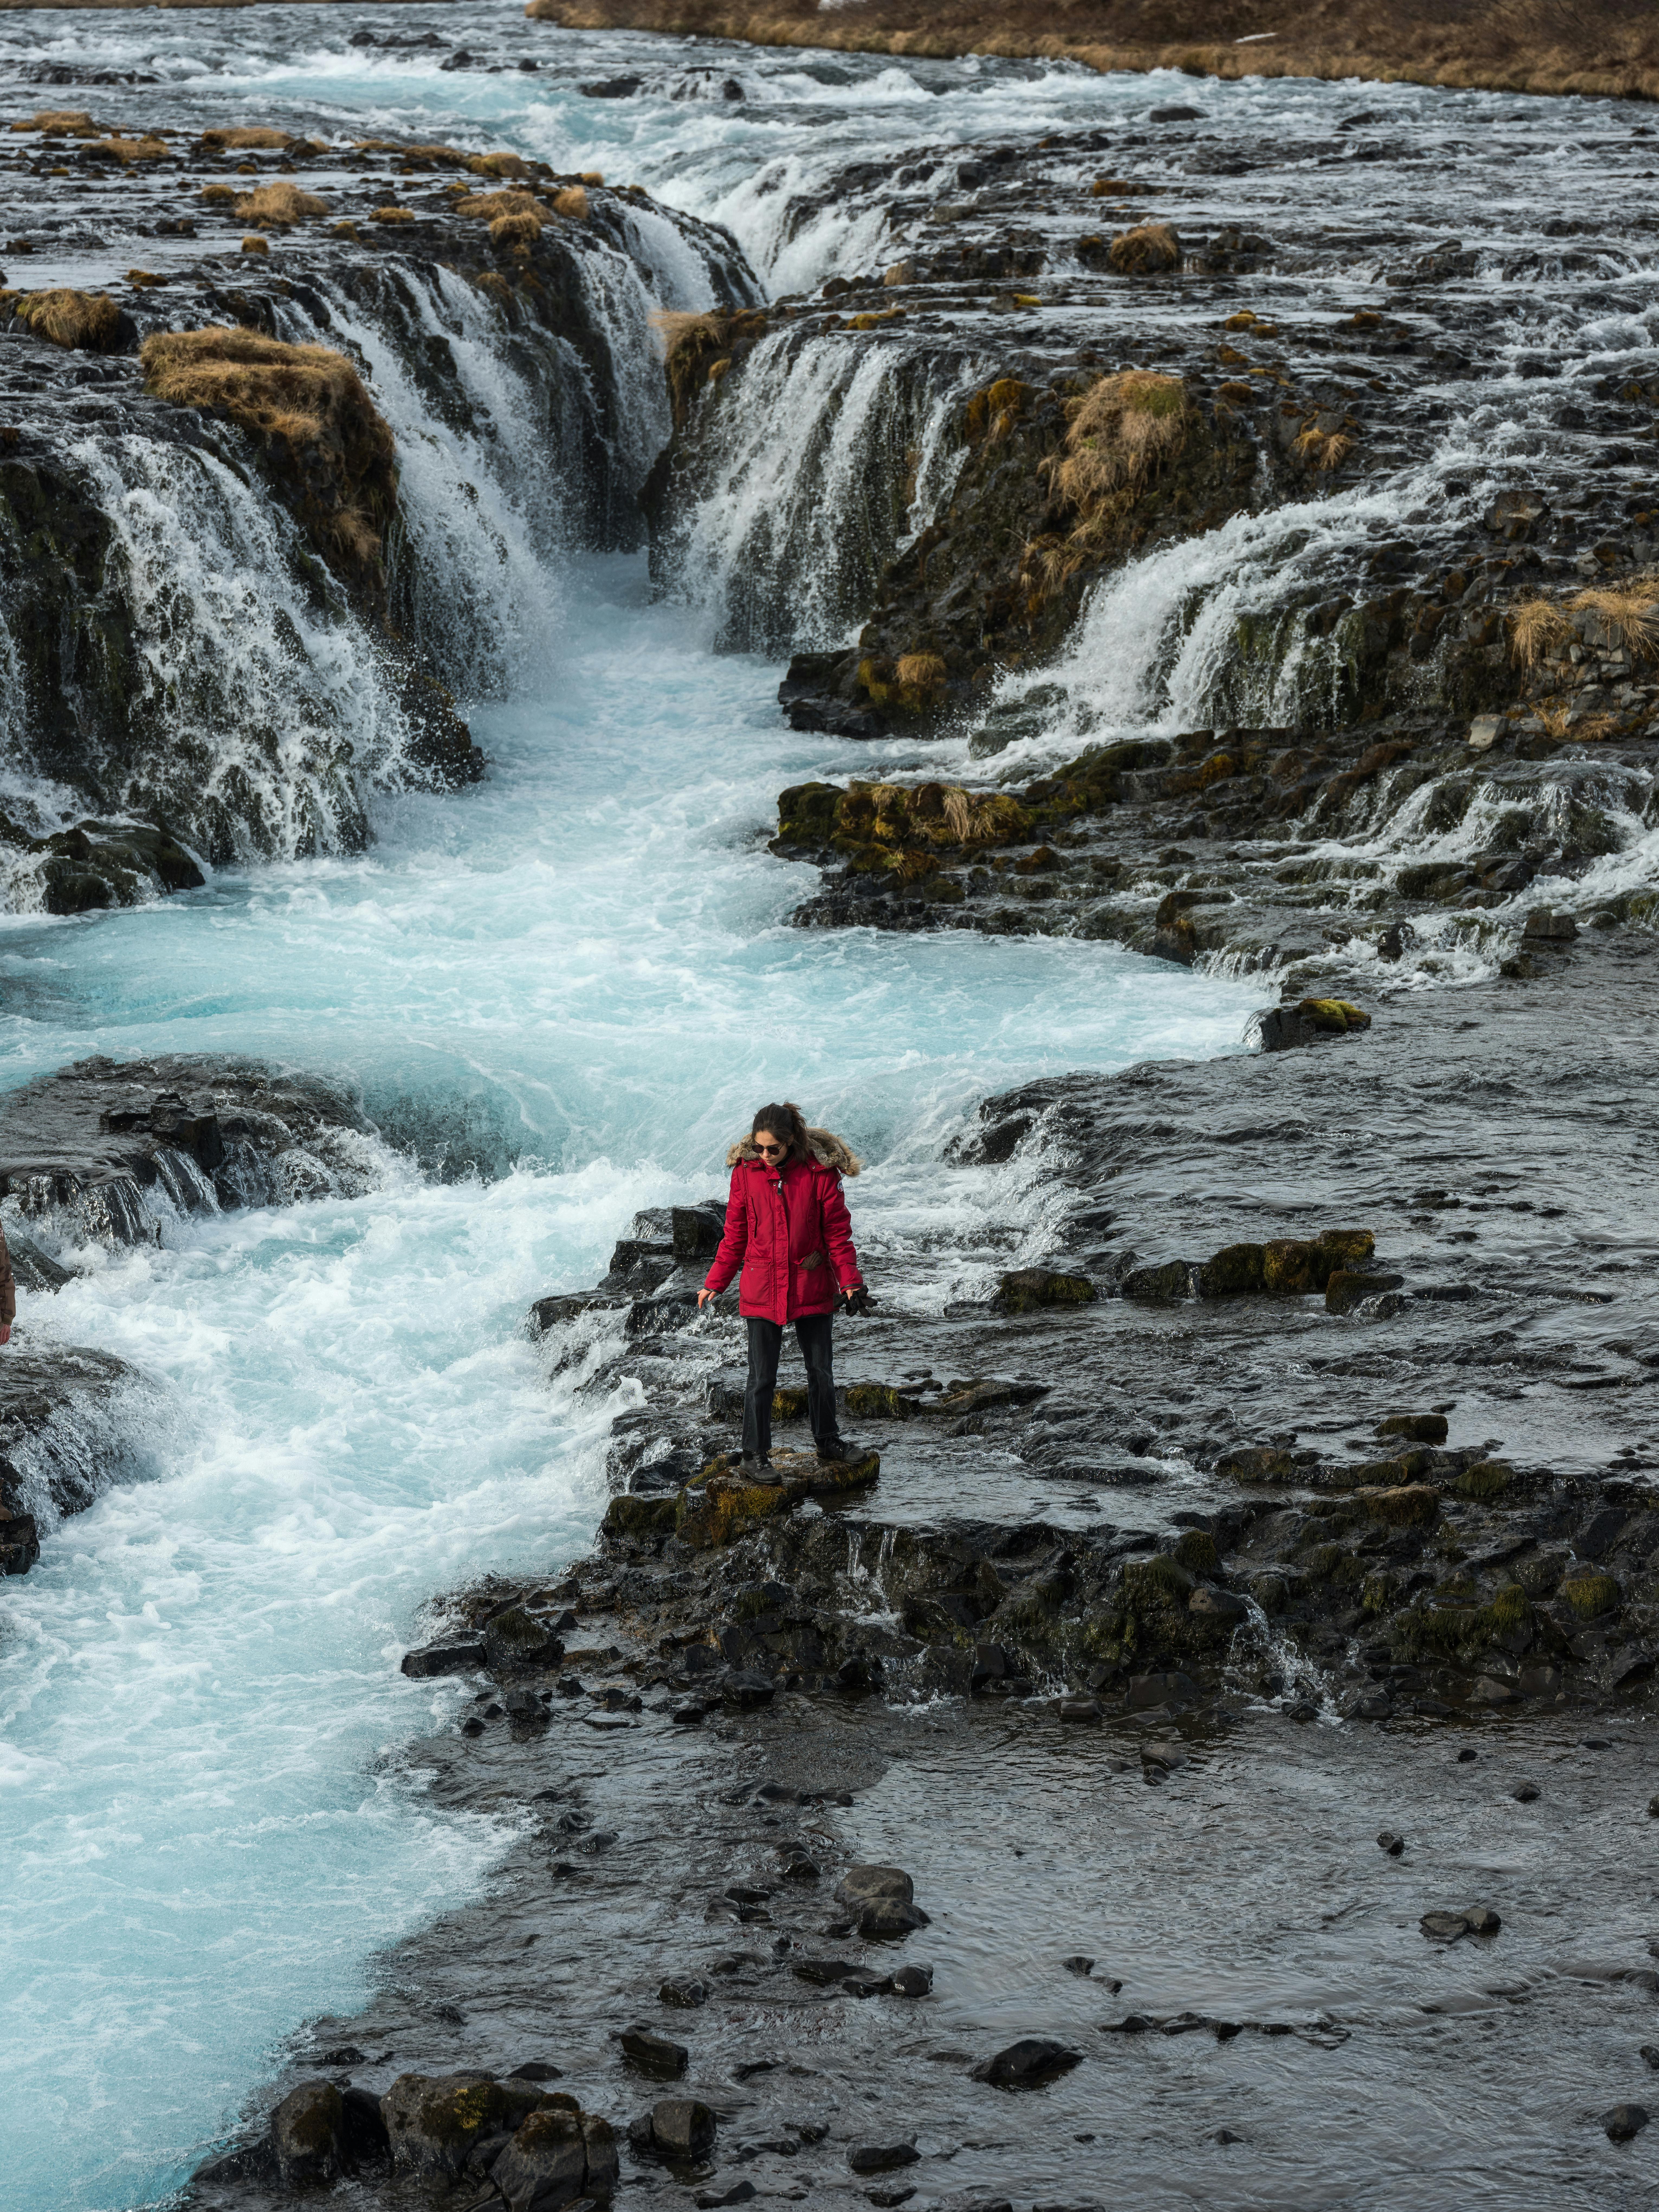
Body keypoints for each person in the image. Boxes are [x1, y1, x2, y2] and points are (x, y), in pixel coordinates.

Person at [697, 1101, 871, 1469]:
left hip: (812, 1282)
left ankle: (828, 1442)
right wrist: (716, 1281)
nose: (764, 1155)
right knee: (762, 1378)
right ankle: (754, 1456)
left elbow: (837, 1234)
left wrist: (851, 1283)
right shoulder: (746, 1173)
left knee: (821, 1372)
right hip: (762, 1285)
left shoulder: (821, 1173)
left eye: (772, 1149)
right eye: (758, 1148)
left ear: (792, 1142)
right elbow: (736, 1234)